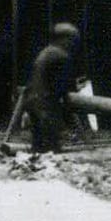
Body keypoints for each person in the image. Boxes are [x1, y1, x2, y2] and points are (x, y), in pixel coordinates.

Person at [24, 22, 81, 154]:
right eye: (73, 40)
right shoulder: (62, 56)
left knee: (38, 144)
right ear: (65, 39)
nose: (74, 44)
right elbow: (62, 86)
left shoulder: (46, 51)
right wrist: (71, 95)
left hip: (32, 100)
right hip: (46, 103)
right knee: (52, 147)